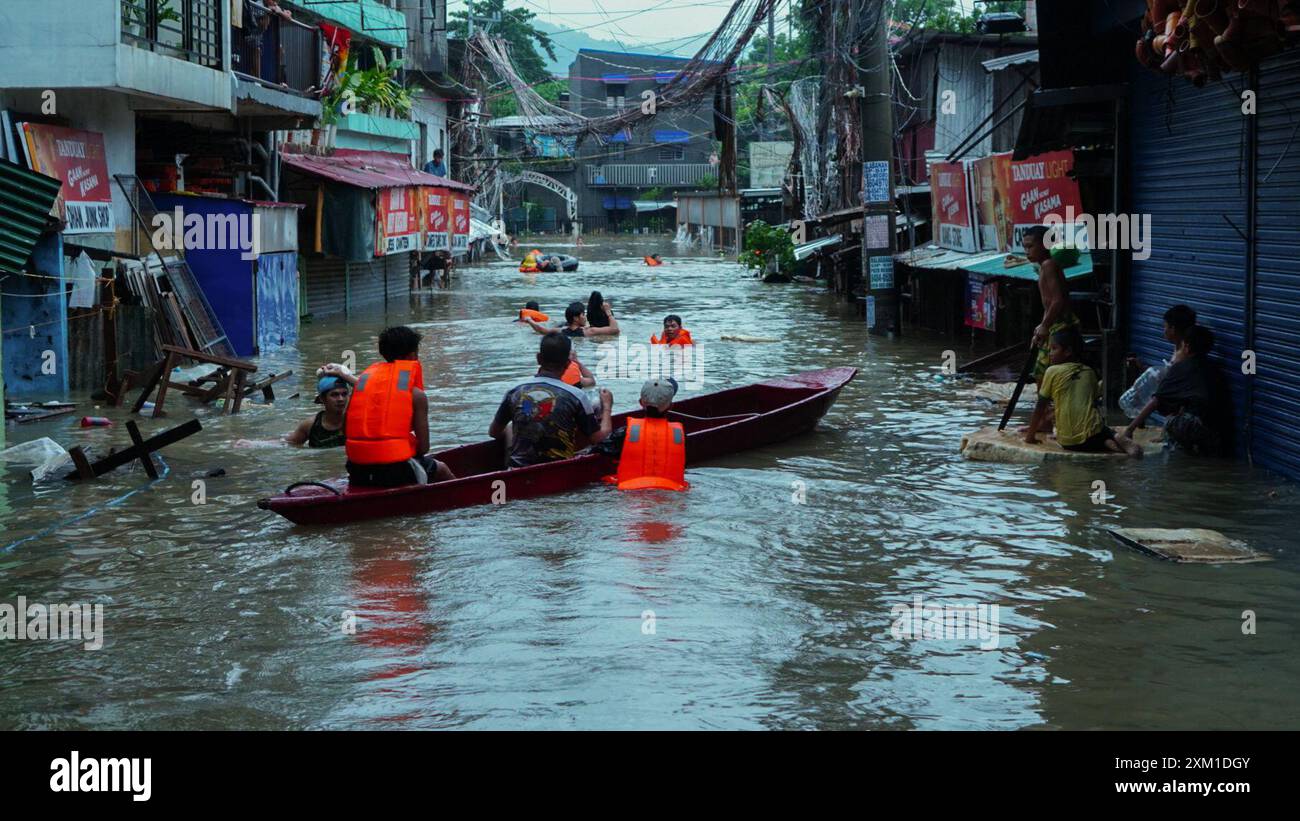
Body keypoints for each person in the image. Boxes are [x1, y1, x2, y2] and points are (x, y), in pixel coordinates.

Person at [344, 326, 456, 486]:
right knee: (442, 468)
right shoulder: (416, 395)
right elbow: (424, 448)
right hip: (395, 470)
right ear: (413, 355)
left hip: (356, 468)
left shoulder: (362, 385)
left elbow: (346, 429)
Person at [489, 332, 613, 467]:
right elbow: (601, 440)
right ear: (567, 364)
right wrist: (607, 406)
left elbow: (494, 432)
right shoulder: (576, 396)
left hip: (518, 468)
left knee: (510, 427)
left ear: (538, 358)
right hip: (559, 469)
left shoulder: (514, 392)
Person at [1025, 327, 1142, 457]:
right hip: (1093, 434)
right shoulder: (1089, 372)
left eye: (1054, 348)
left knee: (1085, 430)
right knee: (1102, 429)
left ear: (1068, 351)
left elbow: (1040, 407)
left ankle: (1108, 442)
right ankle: (1113, 439)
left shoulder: (1052, 371)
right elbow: (1093, 398)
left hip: (1068, 442)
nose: (1050, 353)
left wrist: (1030, 437)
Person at [1123, 325, 1226, 455]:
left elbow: (1156, 401)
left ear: (1186, 347)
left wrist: (1130, 429)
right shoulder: (1214, 368)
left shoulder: (1181, 367)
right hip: (1218, 430)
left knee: (1171, 420)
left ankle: (1173, 454)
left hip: (1195, 426)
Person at [1017, 225, 1080, 386]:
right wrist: (1041, 328)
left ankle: (1048, 407)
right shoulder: (1043, 267)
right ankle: (1047, 407)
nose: (1027, 251)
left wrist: (1045, 326)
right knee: (1041, 370)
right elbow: (1048, 304)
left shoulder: (1048, 265)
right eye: (1025, 247)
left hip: (1062, 325)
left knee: (1050, 371)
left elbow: (1057, 300)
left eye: (1031, 246)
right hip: (1054, 324)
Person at [608, 377, 689, 491]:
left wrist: (606, 409)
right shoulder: (680, 435)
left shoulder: (624, 433)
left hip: (630, 492)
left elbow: (601, 448)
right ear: (671, 406)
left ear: (641, 402)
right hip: (670, 492)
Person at [286, 376, 349, 448]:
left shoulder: (355, 420)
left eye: (344, 394)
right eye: (334, 395)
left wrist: (344, 375)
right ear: (322, 398)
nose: (341, 399)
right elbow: (290, 444)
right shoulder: (310, 425)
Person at [526, 301, 620, 338]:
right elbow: (615, 330)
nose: (585, 317)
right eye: (583, 314)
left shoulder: (560, 331)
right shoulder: (589, 331)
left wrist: (529, 320)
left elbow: (541, 330)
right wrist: (608, 312)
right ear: (575, 318)